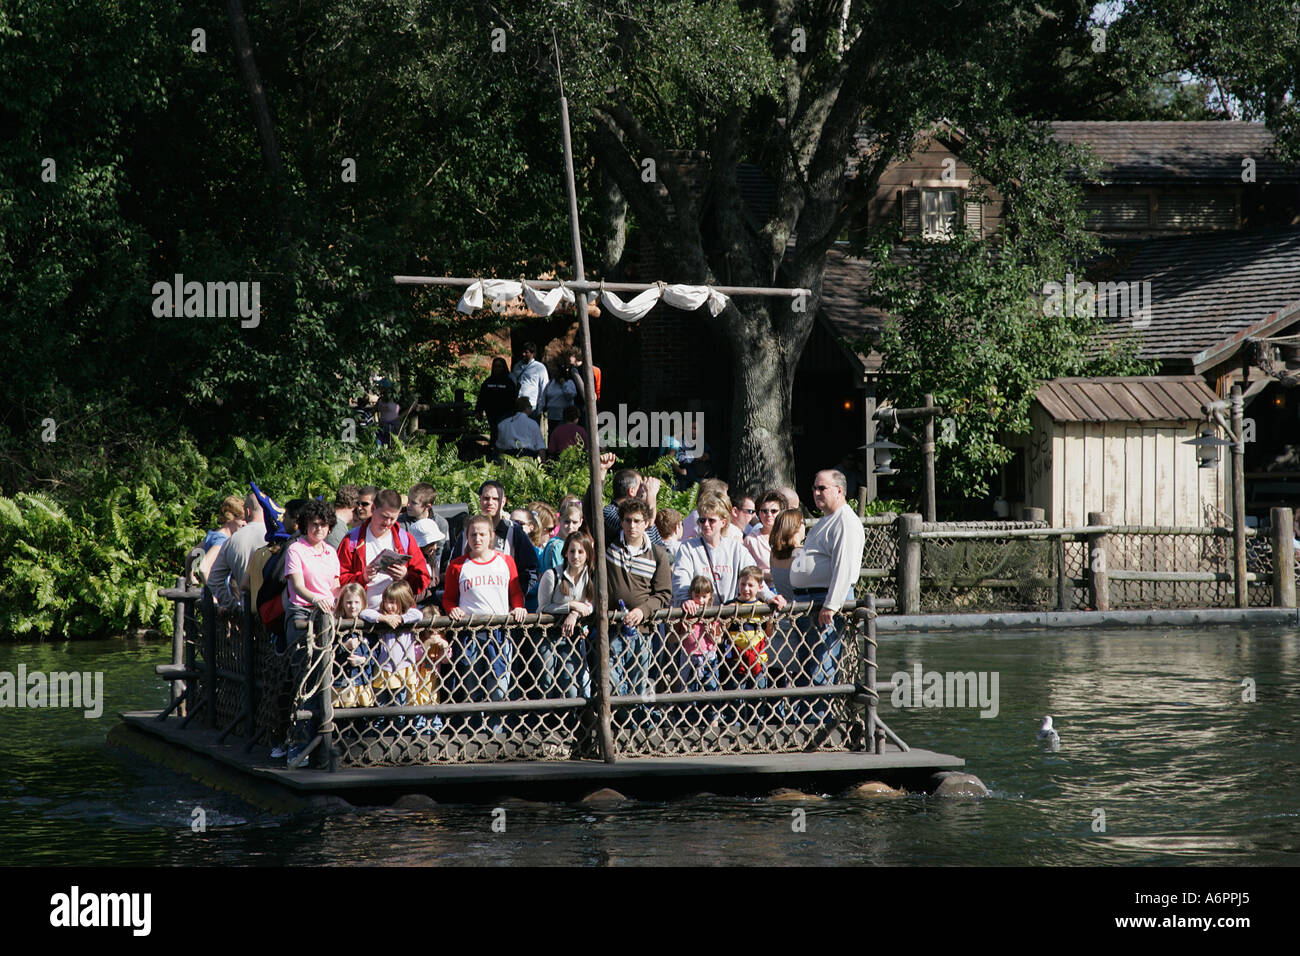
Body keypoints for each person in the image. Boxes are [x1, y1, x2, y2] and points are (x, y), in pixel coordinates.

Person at [788, 469, 865, 717]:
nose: (816, 493)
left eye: (822, 488)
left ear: (839, 491)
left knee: (821, 665)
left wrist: (831, 605)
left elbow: (844, 567)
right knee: (805, 666)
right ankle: (804, 719)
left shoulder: (845, 521)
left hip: (824, 603)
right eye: (814, 488)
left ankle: (818, 723)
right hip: (808, 602)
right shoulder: (825, 519)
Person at [443, 514, 527, 732]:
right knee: (471, 686)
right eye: (473, 534)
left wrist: (518, 606)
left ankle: (495, 732)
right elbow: (449, 598)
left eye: (482, 534)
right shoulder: (457, 566)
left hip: (500, 634)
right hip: (471, 636)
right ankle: (473, 733)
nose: (477, 538)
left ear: (491, 536)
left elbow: (515, 591)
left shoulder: (505, 561)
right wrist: (452, 610)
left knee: (499, 687)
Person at [281, 498, 341, 767]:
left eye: (323, 525)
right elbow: (298, 584)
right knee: (304, 679)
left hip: (328, 617)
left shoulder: (331, 552)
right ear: (305, 525)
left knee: (328, 679)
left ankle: (324, 741)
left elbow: (336, 584)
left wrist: (341, 600)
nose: (318, 529)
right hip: (302, 615)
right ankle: (298, 744)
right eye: (314, 524)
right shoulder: (295, 549)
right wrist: (317, 598)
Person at [605, 499, 672, 713]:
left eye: (637, 521)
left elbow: (663, 594)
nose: (632, 526)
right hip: (611, 628)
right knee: (613, 682)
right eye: (627, 520)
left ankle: (636, 729)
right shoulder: (609, 545)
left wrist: (642, 611)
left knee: (639, 683)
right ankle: (618, 726)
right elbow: (590, 512)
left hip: (642, 631)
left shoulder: (657, 553)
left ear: (646, 523)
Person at [672, 495, 785, 609]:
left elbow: (753, 576)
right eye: (702, 520)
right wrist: (685, 600)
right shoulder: (687, 548)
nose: (706, 524)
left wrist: (769, 597)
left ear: (723, 522)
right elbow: (681, 579)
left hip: (728, 615)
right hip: (699, 614)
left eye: (711, 520)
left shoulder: (735, 548)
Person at [362, 580, 443, 732]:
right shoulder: (383, 618)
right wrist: (383, 618)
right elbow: (364, 613)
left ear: (403, 602)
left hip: (402, 670)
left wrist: (401, 619)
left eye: (393, 602)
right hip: (383, 670)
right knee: (381, 707)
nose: (389, 606)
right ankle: (379, 737)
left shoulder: (407, 618)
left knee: (399, 707)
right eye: (386, 602)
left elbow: (417, 613)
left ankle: (396, 736)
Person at [336, 488, 432, 609]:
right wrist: (362, 578)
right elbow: (338, 580)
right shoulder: (351, 541)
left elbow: (423, 579)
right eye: (384, 516)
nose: (387, 523)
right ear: (373, 509)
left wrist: (406, 576)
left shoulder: (406, 539)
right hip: (362, 618)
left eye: (393, 518)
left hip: (398, 617)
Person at [444, 481, 539, 599]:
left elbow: (531, 570)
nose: (490, 502)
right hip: (471, 606)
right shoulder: (466, 533)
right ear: (479, 500)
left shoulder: (514, 532)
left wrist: (515, 598)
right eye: (486, 498)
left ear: (503, 501)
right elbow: (453, 568)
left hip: (504, 608)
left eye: (495, 499)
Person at [536, 531, 595, 704]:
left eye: (580, 552)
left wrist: (575, 614)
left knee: (570, 685)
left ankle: (570, 723)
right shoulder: (552, 575)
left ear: (587, 554)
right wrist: (571, 606)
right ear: (565, 553)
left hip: (574, 637)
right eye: (571, 551)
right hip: (549, 636)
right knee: (546, 681)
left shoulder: (590, 576)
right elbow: (543, 607)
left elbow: (590, 606)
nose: (575, 556)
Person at [205, 494, 265, 611]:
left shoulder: (231, 540)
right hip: (272, 614)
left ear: (247, 511)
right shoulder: (276, 537)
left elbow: (214, 580)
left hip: (246, 613)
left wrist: (232, 606)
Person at [673, 575, 721, 708]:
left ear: (710, 597)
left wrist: (711, 631)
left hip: (709, 656)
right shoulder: (686, 613)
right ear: (691, 595)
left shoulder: (712, 614)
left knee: (711, 689)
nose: (700, 600)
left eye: (704, 597)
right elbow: (677, 633)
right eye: (697, 596)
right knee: (688, 690)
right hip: (689, 656)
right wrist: (686, 623)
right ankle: (690, 719)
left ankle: (713, 720)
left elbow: (718, 639)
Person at [332, 582, 375, 709]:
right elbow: (328, 652)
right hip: (341, 682)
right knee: (342, 721)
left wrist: (363, 660)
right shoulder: (337, 628)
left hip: (363, 682)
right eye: (349, 602)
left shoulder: (369, 628)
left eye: (357, 602)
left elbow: (376, 653)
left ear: (363, 603)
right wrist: (344, 645)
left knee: (362, 720)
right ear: (342, 604)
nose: (353, 606)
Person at [397, 482, 447, 588]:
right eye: (408, 500)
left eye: (414, 503)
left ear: (427, 506)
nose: (408, 505)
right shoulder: (400, 524)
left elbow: (439, 553)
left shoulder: (441, 523)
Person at [602, 468, 664, 546]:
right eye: (642, 485)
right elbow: (649, 522)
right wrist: (651, 493)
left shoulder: (643, 513)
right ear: (632, 491)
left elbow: (661, 548)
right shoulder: (609, 511)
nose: (645, 488)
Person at [198, 495, 247, 580]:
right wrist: (214, 591)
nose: (245, 524)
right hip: (217, 590)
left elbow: (190, 555)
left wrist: (190, 577)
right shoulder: (222, 540)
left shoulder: (213, 534)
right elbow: (203, 568)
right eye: (242, 519)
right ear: (231, 517)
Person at [744, 491, 786, 585]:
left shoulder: (789, 536)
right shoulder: (751, 540)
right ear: (758, 513)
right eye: (764, 511)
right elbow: (746, 571)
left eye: (774, 511)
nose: (769, 515)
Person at [475, 357, 518, 449]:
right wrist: (478, 411)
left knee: (502, 434)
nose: (497, 369)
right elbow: (482, 398)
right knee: (494, 433)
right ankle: (493, 453)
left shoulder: (509, 382)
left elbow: (513, 399)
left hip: (505, 415)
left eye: (500, 366)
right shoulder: (488, 382)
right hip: (491, 414)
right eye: (495, 366)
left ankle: (501, 455)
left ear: (504, 368)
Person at [540, 501, 584, 579]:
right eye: (567, 522)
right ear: (559, 520)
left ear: (580, 522)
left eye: (574, 522)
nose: (570, 526)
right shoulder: (557, 546)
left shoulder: (567, 543)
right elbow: (560, 577)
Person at [510, 342, 548, 424]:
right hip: (518, 404)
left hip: (532, 405)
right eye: (523, 352)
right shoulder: (517, 366)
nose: (523, 354)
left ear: (533, 353)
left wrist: (540, 408)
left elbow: (544, 388)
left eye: (526, 352)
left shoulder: (540, 367)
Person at [541, 359, 577, 433]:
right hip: (552, 417)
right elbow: (545, 396)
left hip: (564, 418)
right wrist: (542, 408)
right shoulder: (550, 383)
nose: (554, 374)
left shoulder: (569, 383)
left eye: (556, 372)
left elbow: (571, 395)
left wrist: (563, 384)